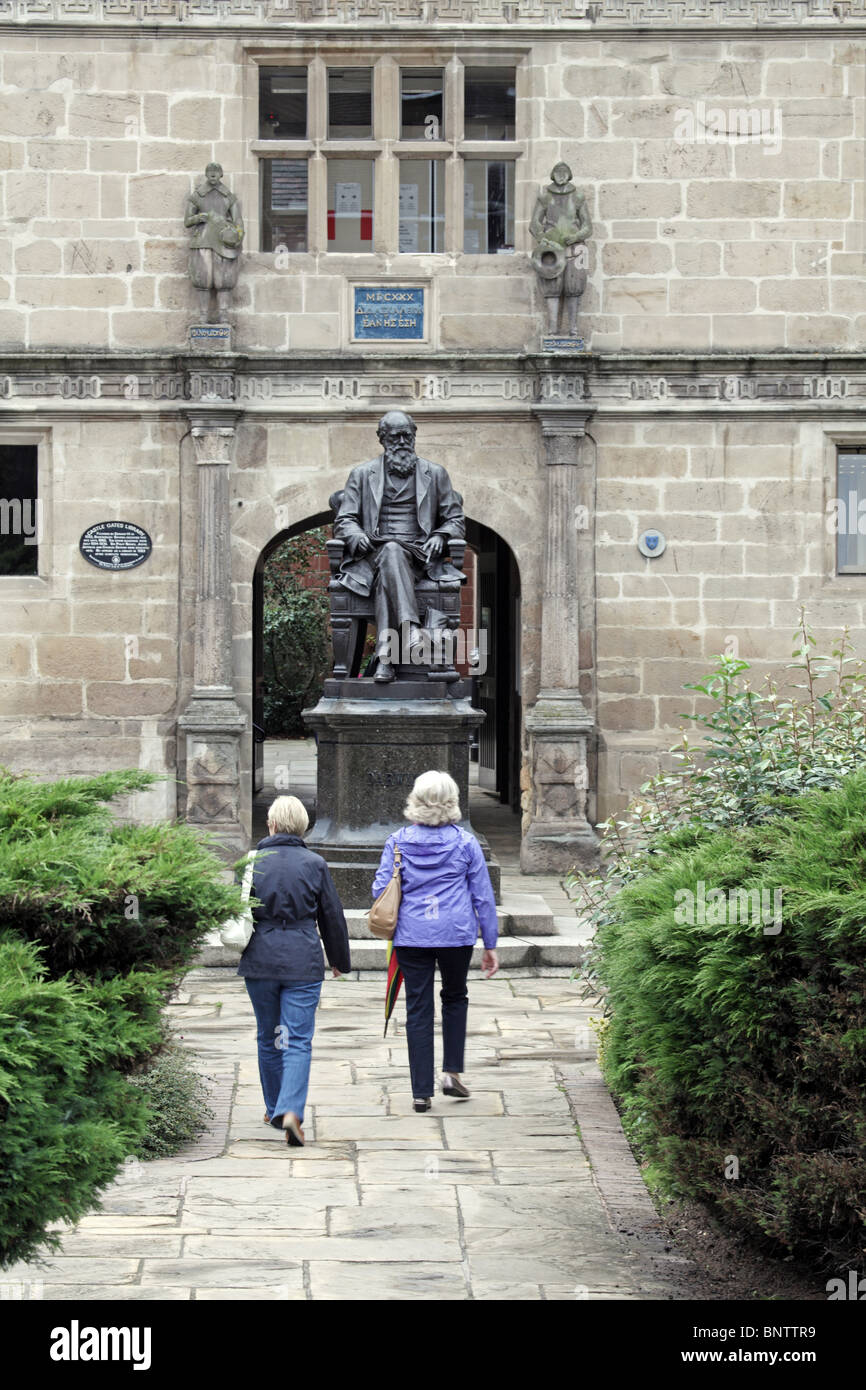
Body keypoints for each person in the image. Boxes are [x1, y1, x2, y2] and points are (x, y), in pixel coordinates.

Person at [371, 770, 499, 1112]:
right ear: (452, 802)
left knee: (418, 1007)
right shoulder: (465, 843)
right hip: (455, 934)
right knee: (455, 997)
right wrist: (490, 942)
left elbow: (379, 890)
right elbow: (483, 896)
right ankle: (451, 1073)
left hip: (412, 934)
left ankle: (420, 1092)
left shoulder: (397, 841)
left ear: (416, 799)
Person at [238, 795, 351, 1146]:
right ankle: (291, 1111)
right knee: (298, 1040)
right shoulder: (315, 863)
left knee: (269, 1037)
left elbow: (238, 911)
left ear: (271, 824)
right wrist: (338, 959)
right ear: (302, 827)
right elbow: (331, 915)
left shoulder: (253, 862)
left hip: (261, 958)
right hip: (303, 957)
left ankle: (275, 1108)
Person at [332, 410, 465, 682]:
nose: (403, 441)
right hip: (374, 553)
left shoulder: (436, 474)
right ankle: (411, 630)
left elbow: (455, 519)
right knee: (391, 550)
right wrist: (357, 536)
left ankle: (385, 660)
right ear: (383, 439)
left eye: (408, 435)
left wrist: (441, 535)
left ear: (414, 436)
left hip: (420, 558)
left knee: (389, 572)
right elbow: (344, 519)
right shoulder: (361, 474)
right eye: (396, 436)